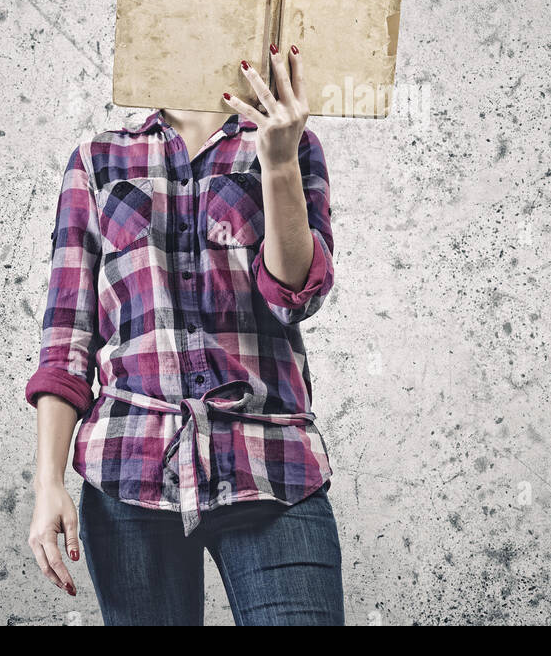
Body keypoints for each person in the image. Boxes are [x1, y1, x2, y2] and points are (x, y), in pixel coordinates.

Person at [25, 44, 343, 625]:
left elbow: (297, 295)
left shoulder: (290, 145)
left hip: (268, 461)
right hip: (128, 467)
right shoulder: (99, 160)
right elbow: (67, 338)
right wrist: (47, 484)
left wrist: (277, 162)